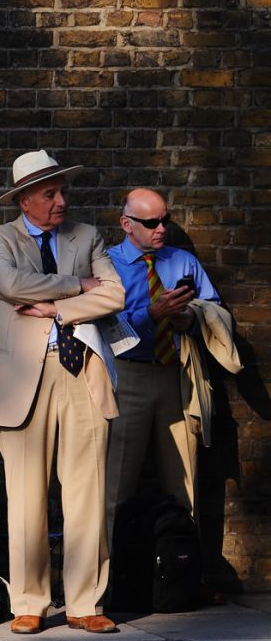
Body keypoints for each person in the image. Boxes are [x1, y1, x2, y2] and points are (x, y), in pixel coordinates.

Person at [0, 150, 125, 635]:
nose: (61, 200)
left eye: (63, 191)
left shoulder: (86, 235)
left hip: (83, 371)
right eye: (50, 193)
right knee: (25, 497)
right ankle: (30, 601)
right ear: (24, 199)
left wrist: (61, 310)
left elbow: (115, 293)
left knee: (88, 493)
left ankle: (86, 602)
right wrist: (76, 285)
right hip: (23, 380)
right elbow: (11, 284)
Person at [104, 189, 222, 545]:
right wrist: (151, 315)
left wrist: (189, 317)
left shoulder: (182, 261)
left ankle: (183, 571)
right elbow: (101, 323)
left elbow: (215, 309)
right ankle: (107, 578)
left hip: (176, 373)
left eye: (165, 220)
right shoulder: (107, 264)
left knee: (184, 478)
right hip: (127, 375)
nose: (161, 229)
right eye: (151, 222)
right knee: (116, 480)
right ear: (127, 224)